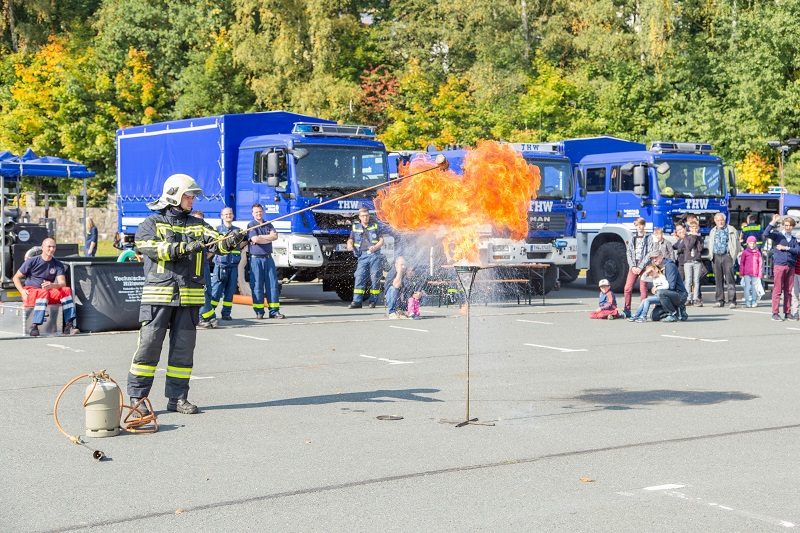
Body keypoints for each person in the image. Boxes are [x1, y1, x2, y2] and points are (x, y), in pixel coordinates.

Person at [127, 174, 245, 415]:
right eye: (189, 196)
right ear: (174, 196)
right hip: (159, 298)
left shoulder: (198, 224)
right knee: (148, 348)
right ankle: (137, 400)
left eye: (192, 196)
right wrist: (183, 247)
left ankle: (178, 398)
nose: (193, 200)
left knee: (183, 352)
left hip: (189, 298)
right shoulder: (151, 223)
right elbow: (150, 247)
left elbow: (217, 243)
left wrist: (233, 240)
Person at [12, 238, 79, 337]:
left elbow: (62, 283)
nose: (51, 249)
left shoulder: (58, 264)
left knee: (66, 290)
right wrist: (22, 291)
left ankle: (69, 325)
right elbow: (16, 277)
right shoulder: (32, 261)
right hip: (31, 292)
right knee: (44, 292)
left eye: (54, 247)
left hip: (47, 293)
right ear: (42, 247)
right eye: (49, 247)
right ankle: (34, 326)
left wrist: (52, 285)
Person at [205, 207, 242, 322]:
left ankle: (226, 313)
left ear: (233, 215)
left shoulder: (238, 230)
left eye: (230, 214)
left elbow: (244, 241)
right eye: (226, 214)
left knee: (230, 291)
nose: (228, 216)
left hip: (233, 265)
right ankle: (210, 313)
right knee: (216, 291)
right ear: (221, 216)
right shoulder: (217, 230)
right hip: (220, 265)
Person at [247, 204, 284, 319]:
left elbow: (275, 237)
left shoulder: (269, 224)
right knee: (257, 285)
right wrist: (267, 237)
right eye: (256, 212)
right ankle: (259, 311)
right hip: (256, 259)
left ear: (263, 212)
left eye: (260, 211)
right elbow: (255, 239)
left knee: (273, 285)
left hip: (268, 258)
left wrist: (261, 238)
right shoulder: (251, 225)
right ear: (253, 213)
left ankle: (274, 311)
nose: (258, 214)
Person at [763, 214, 800, 321]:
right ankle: (775, 313)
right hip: (780, 265)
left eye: (790, 226)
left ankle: (787, 312)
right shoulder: (778, 235)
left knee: (788, 291)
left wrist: (785, 247)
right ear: (783, 225)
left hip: (790, 266)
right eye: (786, 225)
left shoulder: (793, 239)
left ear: (792, 227)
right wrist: (773, 222)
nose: (788, 227)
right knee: (777, 290)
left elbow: (797, 251)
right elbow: (766, 234)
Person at [347, 206, 384, 309]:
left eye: (367, 215)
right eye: (363, 216)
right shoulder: (355, 227)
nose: (365, 218)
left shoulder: (375, 226)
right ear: (359, 217)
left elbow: (381, 240)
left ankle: (373, 301)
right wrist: (349, 244)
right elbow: (350, 239)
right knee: (359, 277)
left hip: (375, 255)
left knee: (375, 278)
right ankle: (357, 301)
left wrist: (375, 247)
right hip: (362, 255)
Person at [708, 212, 741, 309]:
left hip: (727, 256)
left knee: (730, 279)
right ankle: (719, 300)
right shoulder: (713, 231)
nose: (720, 222)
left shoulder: (731, 229)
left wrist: (733, 255)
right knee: (718, 279)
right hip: (716, 256)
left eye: (721, 220)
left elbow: (737, 243)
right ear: (715, 221)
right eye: (718, 220)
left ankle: (732, 301)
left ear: (724, 220)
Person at [623, 217, 653, 317]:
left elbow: (649, 253)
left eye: (641, 225)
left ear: (644, 225)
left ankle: (642, 311)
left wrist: (640, 267)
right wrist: (632, 266)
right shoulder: (632, 238)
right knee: (627, 288)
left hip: (643, 267)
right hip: (633, 267)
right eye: (637, 225)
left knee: (643, 288)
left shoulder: (649, 238)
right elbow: (629, 252)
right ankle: (627, 309)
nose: (639, 227)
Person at [648, 248, 689, 322]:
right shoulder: (656, 268)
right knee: (654, 316)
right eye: (652, 258)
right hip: (668, 295)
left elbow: (671, 286)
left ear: (662, 256)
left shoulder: (670, 266)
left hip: (679, 295)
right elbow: (644, 278)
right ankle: (677, 309)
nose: (654, 260)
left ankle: (674, 314)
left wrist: (657, 289)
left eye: (656, 257)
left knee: (661, 293)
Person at [193, 210, 218, 329]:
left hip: (205, 265)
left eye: (200, 220)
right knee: (201, 292)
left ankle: (208, 316)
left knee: (208, 291)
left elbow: (213, 248)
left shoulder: (205, 232)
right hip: (194, 266)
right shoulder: (190, 233)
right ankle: (202, 317)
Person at [682, 220, 705, 307]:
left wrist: (698, 238)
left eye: (696, 228)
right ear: (690, 228)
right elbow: (688, 247)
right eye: (693, 228)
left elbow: (700, 249)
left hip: (697, 261)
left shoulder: (700, 238)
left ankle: (695, 298)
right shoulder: (686, 237)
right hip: (688, 261)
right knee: (688, 280)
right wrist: (694, 237)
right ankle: (688, 298)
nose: (695, 229)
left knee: (696, 280)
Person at [739, 236, 763, 308]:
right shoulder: (745, 252)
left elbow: (760, 264)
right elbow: (742, 263)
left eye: (753, 243)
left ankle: (754, 300)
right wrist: (741, 273)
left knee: (754, 287)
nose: (752, 245)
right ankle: (747, 301)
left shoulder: (758, 253)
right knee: (747, 287)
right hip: (746, 272)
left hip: (755, 272)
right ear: (747, 244)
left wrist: (760, 273)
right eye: (750, 243)